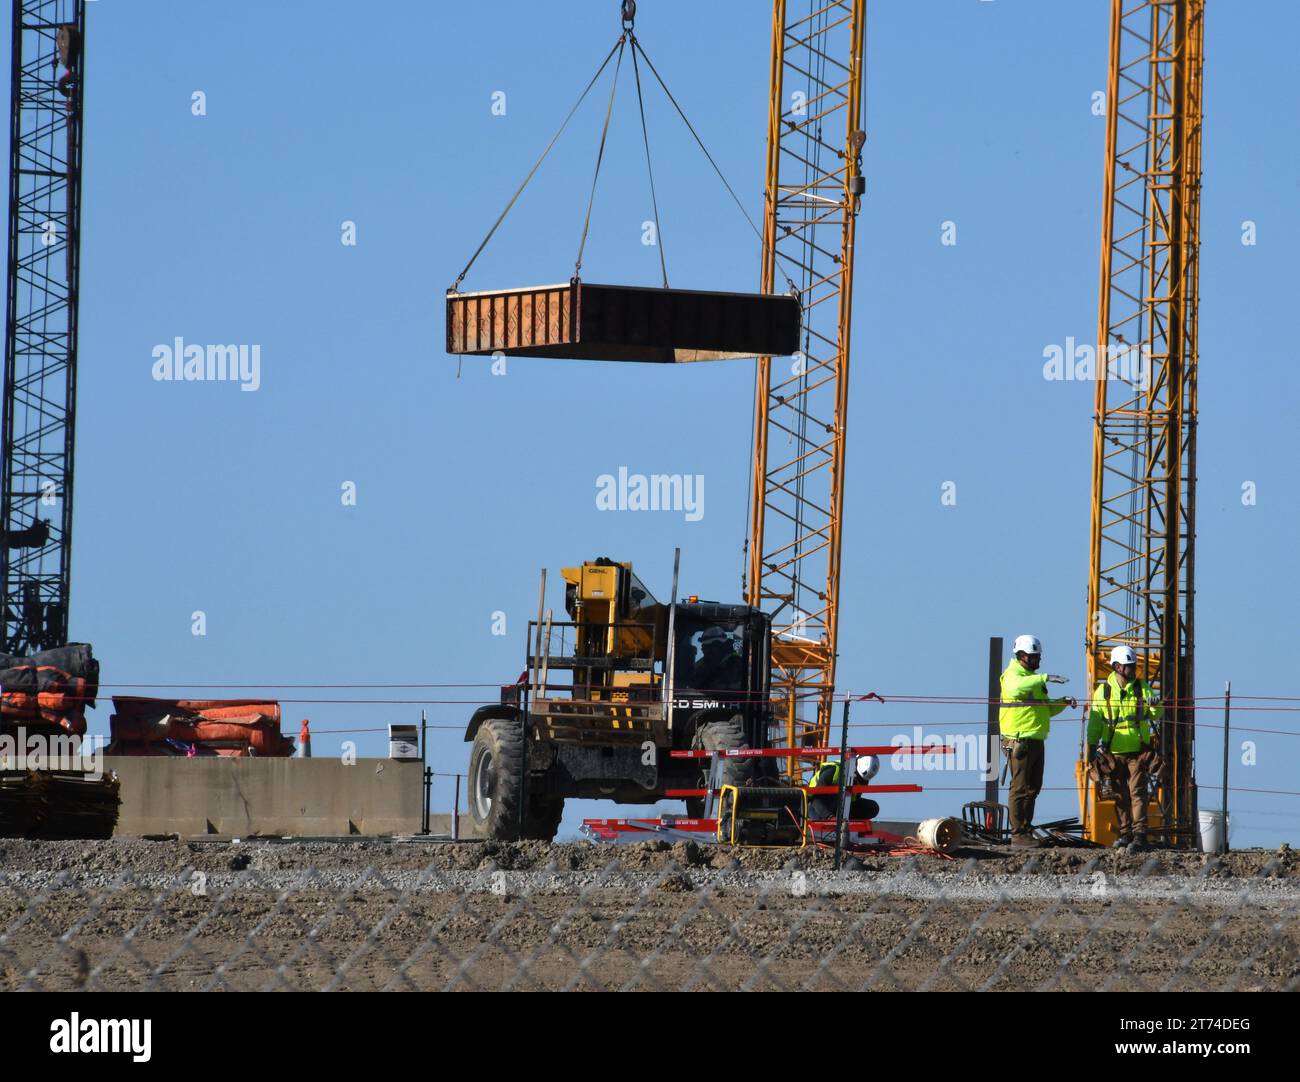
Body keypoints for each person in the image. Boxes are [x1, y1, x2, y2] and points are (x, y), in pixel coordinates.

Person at [999, 634, 1076, 847]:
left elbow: (1045, 709)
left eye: (1038, 657)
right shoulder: (1013, 675)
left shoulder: (1031, 680)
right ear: (1021, 656)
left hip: (1035, 739)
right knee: (1020, 787)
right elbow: (1015, 688)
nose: (1037, 661)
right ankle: (1018, 834)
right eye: (1033, 657)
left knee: (1033, 787)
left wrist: (1062, 702)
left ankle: (1025, 829)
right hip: (1019, 740)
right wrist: (1044, 677)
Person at [1087, 645, 1161, 850]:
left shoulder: (1141, 687)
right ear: (1118, 667)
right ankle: (1126, 833)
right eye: (1130, 666)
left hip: (1138, 751)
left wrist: (1155, 704)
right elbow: (1095, 723)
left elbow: (1156, 714)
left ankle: (1139, 835)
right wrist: (1092, 749)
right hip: (1114, 753)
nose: (1134, 669)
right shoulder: (1103, 692)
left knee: (1137, 793)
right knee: (1119, 795)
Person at [807, 754, 881, 824]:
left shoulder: (862, 780)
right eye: (858, 778)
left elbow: (854, 801)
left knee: (872, 807)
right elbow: (815, 800)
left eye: (862, 780)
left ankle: (847, 824)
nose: (858, 782)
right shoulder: (832, 771)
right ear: (854, 769)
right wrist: (830, 817)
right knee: (836, 797)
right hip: (816, 806)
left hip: (841, 806)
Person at [689, 625, 745, 691]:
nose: (702, 649)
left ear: (717, 645)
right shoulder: (703, 663)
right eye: (703, 646)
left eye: (706, 646)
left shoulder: (736, 664)